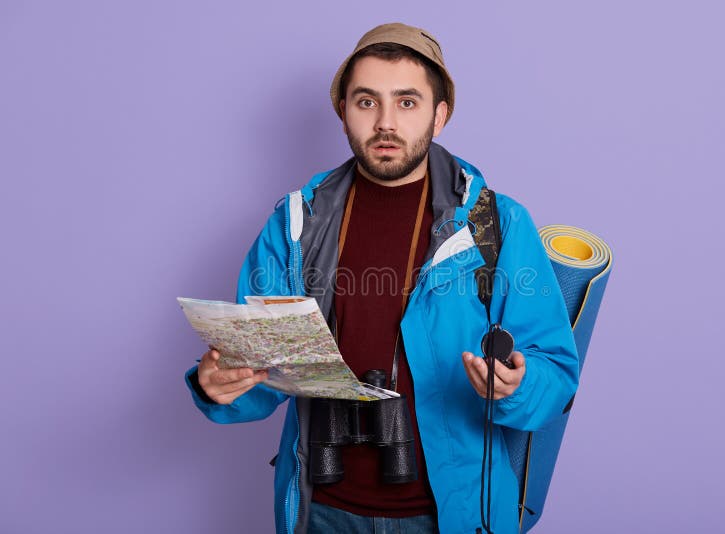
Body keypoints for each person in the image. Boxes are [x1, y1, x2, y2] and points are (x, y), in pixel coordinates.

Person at [185, 22, 579, 534]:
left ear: (440, 116)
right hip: (320, 510)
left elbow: (555, 374)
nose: (386, 123)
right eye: (367, 102)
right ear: (343, 111)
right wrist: (218, 385)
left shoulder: (496, 224)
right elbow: (264, 375)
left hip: (450, 516)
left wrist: (516, 385)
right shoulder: (296, 224)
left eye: (408, 102)